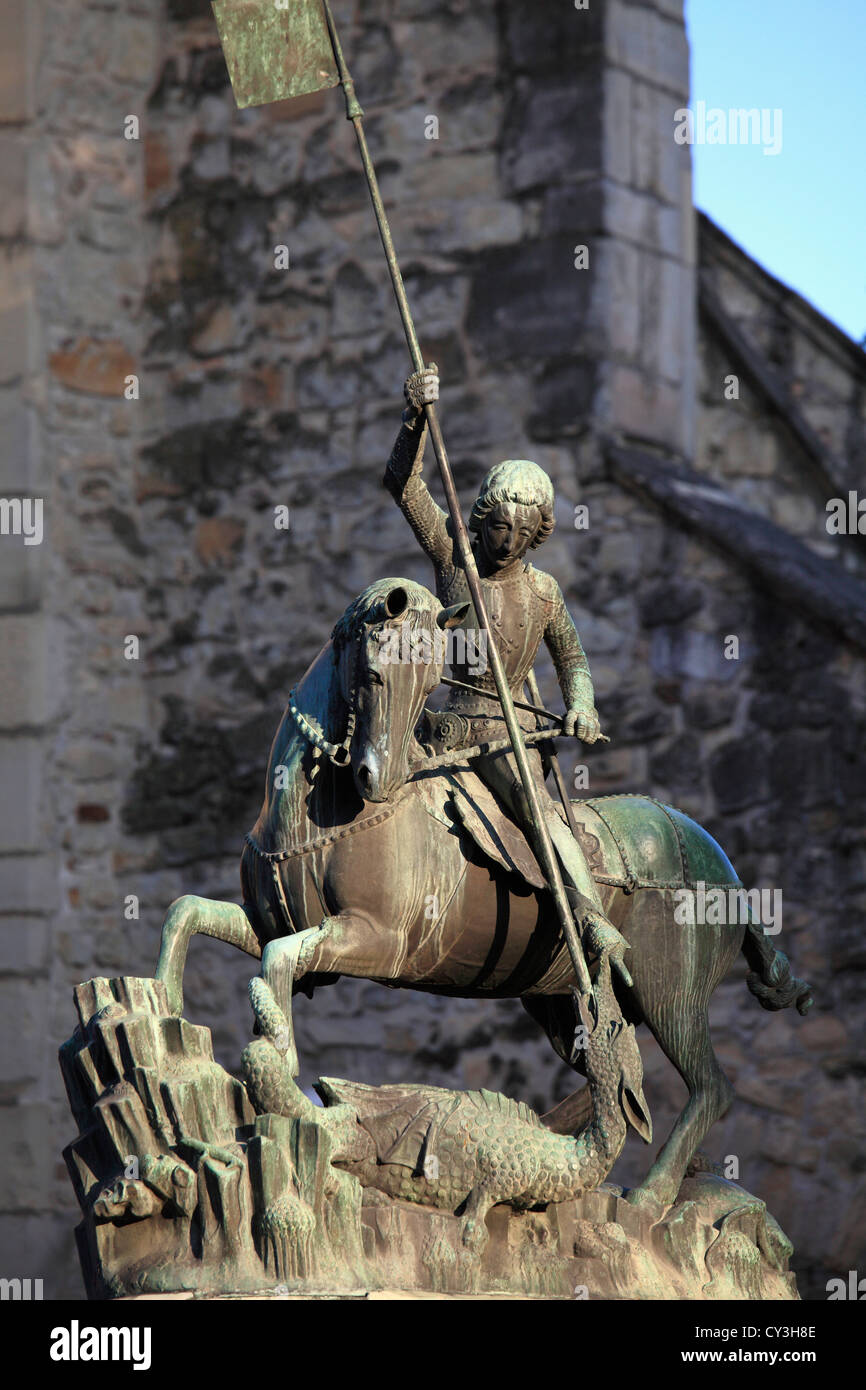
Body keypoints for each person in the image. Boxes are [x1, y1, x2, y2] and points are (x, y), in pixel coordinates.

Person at [383, 365, 632, 984]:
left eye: (523, 533)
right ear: (483, 518)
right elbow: (404, 485)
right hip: (442, 729)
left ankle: (590, 915)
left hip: (505, 736)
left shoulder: (544, 593)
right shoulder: (453, 558)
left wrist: (583, 705)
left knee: (534, 808)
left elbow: (573, 661)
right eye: (499, 528)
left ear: (536, 534)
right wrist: (415, 419)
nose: (507, 542)